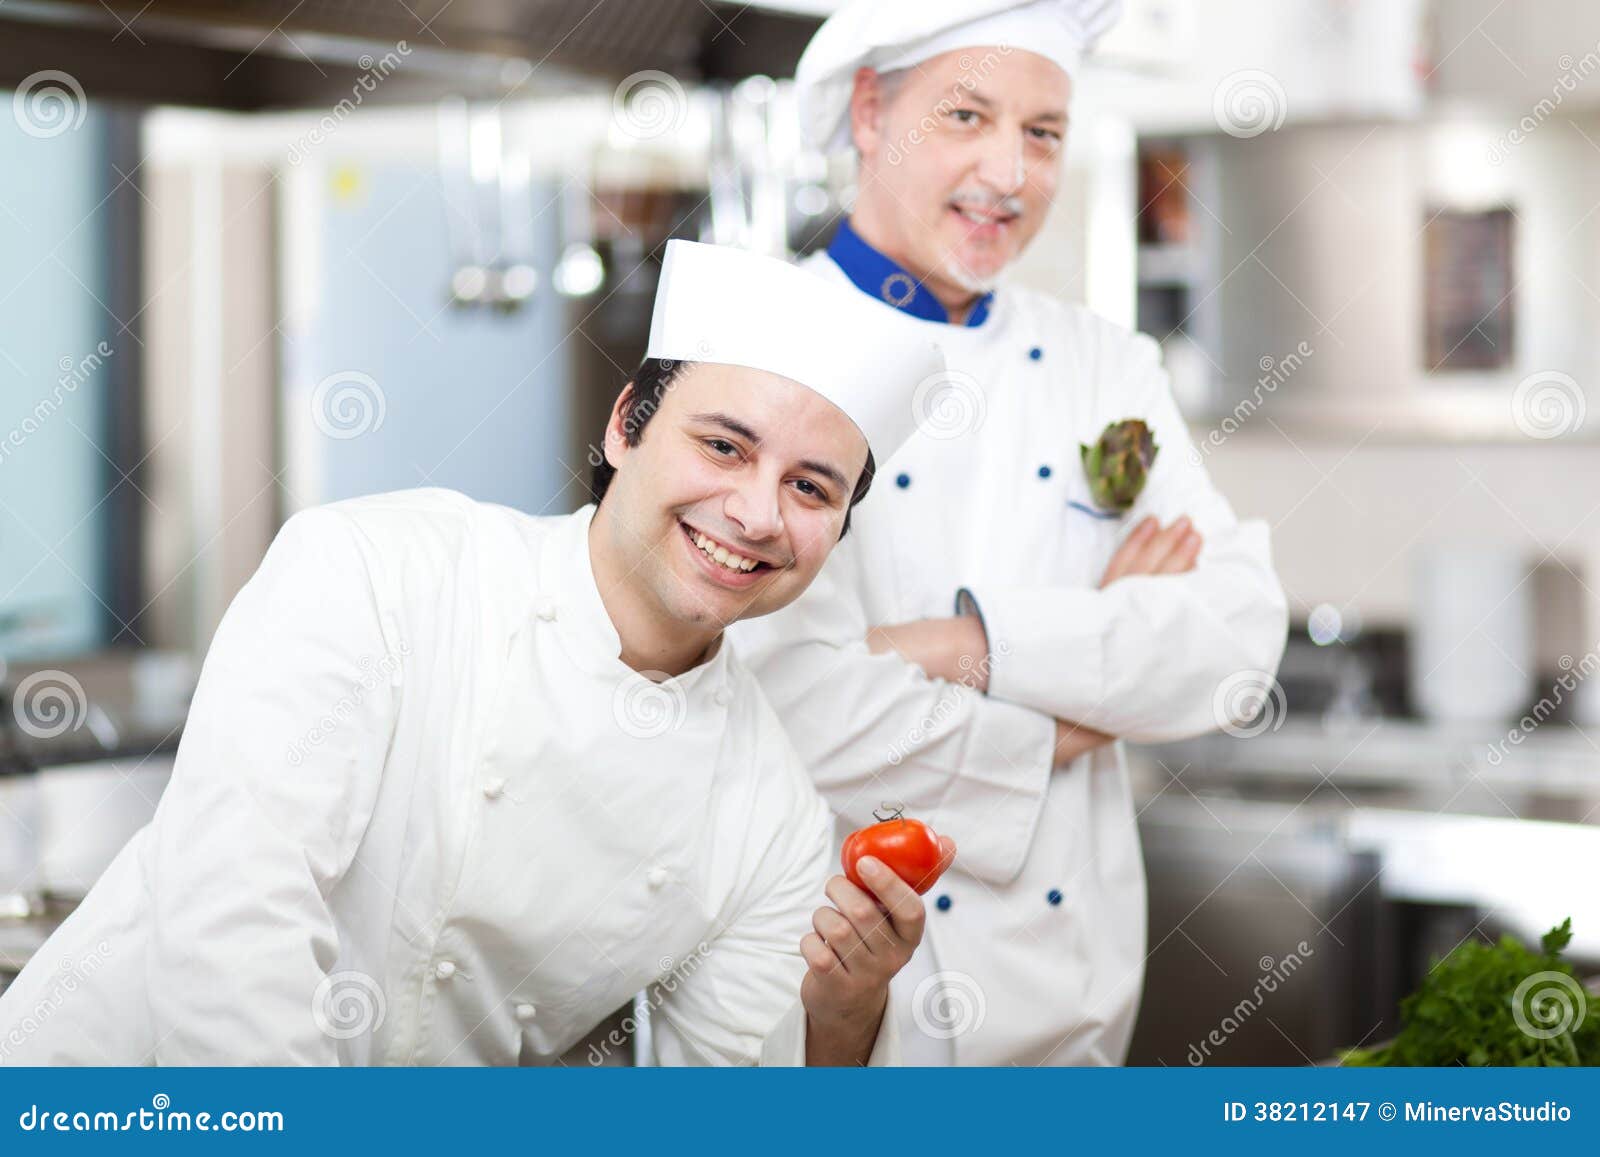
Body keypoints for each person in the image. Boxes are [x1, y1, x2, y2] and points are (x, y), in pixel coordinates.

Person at [0, 241, 954, 1067]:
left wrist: (845, 1008)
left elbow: (720, 1106)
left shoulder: (772, 817)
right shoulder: (376, 574)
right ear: (626, 426)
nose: (756, 513)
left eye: (813, 489)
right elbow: (234, 926)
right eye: (723, 446)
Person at [729, 0, 1290, 1065]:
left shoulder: (1103, 364)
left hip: (1071, 1014)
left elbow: (1233, 640)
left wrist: (955, 647)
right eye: (966, 115)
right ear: (867, 110)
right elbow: (786, 711)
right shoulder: (760, 349)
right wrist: (1088, 702)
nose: (1009, 172)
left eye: (1042, 132)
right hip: (829, 1012)